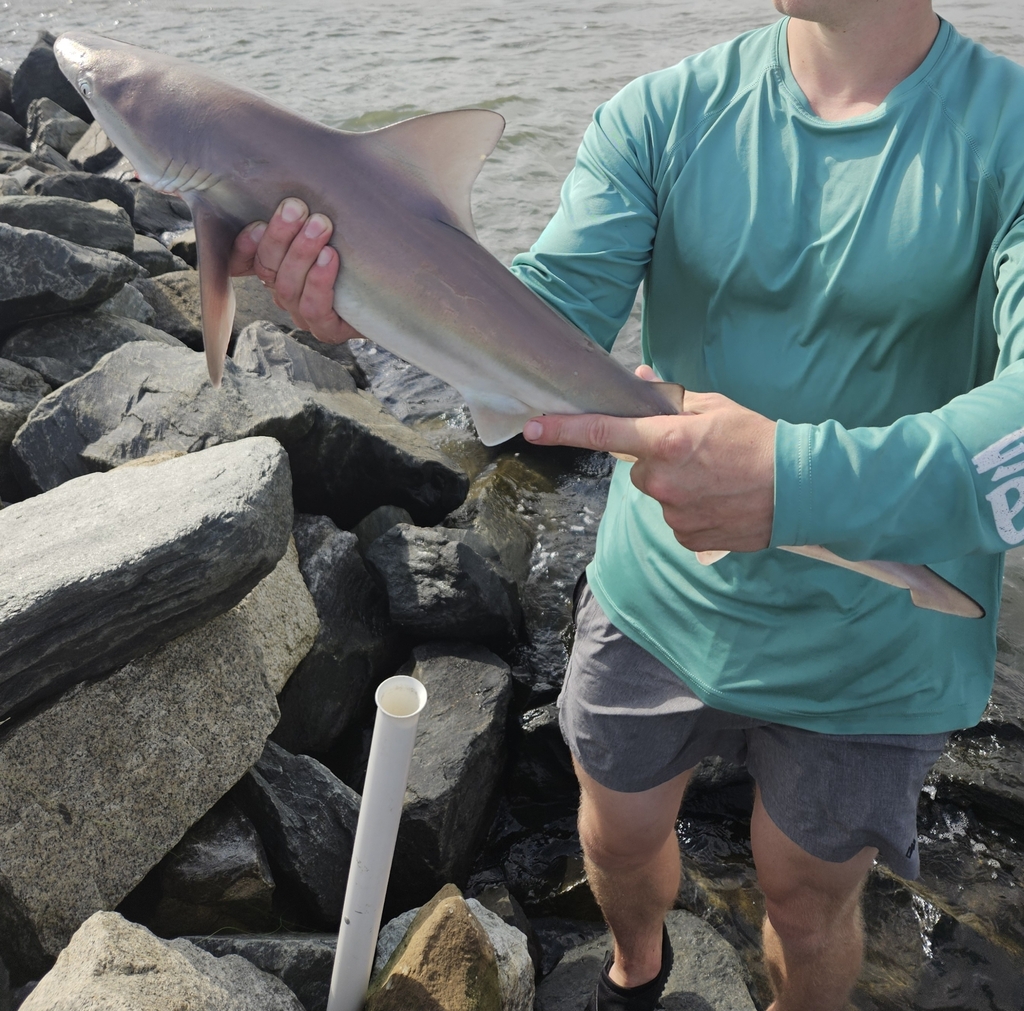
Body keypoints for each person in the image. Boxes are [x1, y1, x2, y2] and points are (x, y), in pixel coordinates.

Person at [229, 0, 1024, 1007]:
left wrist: (793, 483)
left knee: (806, 894)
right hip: (657, 596)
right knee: (614, 831)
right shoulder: (663, 112)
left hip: (881, 637)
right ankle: (634, 972)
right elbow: (546, 315)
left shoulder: (1009, 132)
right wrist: (367, 294)